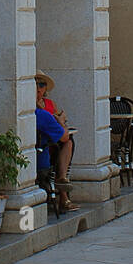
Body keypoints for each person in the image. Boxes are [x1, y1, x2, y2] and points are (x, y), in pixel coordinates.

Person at [34, 77, 78, 213]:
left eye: (42, 85)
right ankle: (62, 184)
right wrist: (61, 121)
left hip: (40, 151)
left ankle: (61, 180)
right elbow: (63, 135)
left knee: (66, 144)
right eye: (36, 84)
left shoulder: (46, 106)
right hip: (43, 158)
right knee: (68, 142)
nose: (38, 88)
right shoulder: (40, 114)